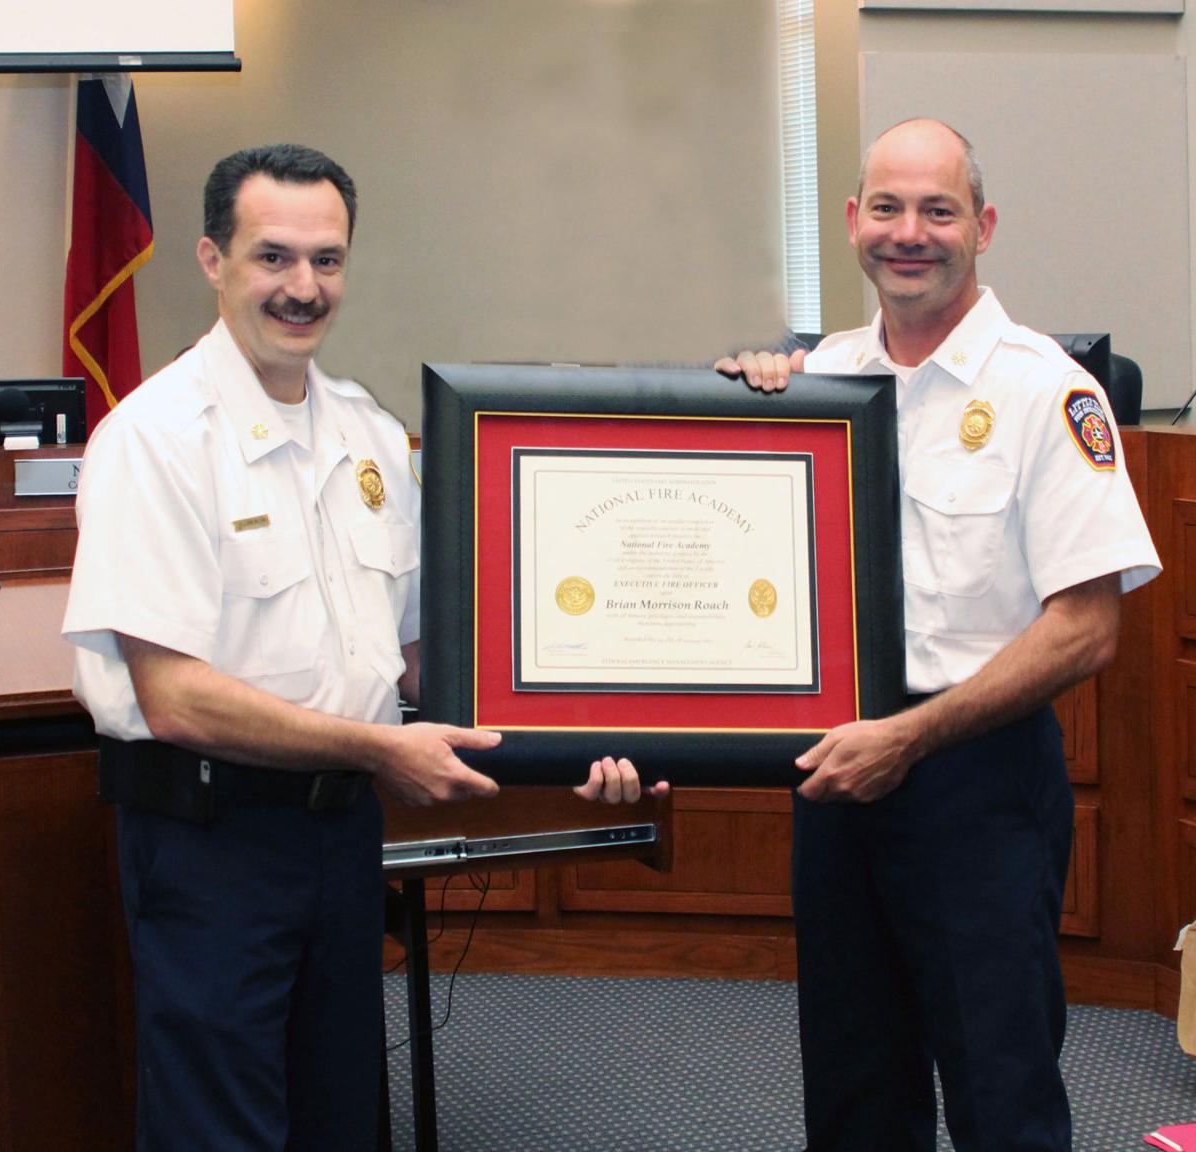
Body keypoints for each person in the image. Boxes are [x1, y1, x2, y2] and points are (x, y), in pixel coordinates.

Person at [63, 143, 665, 1152]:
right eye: (274, 258)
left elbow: (432, 662)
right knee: (221, 1127)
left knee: (339, 1117)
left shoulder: (372, 437)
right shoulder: (156, 439)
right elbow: (172, 696)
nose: (304, 288)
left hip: (340, 840)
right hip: (211, 843)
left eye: (328, 260)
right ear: (213, 260)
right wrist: (380, 751)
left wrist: (607, 738)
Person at [717, 118, 1160, 1151]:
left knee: (1000, 1090)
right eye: (887, 207)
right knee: (854, 1088)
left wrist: (911, 740)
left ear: (984, 226)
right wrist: (736, 411)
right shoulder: (816, 377)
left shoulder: (1047, 389)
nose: (908, 232)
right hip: (833, 773)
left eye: (938, 209)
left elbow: (1089, 630)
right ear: (851, 222)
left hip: (976, 783)